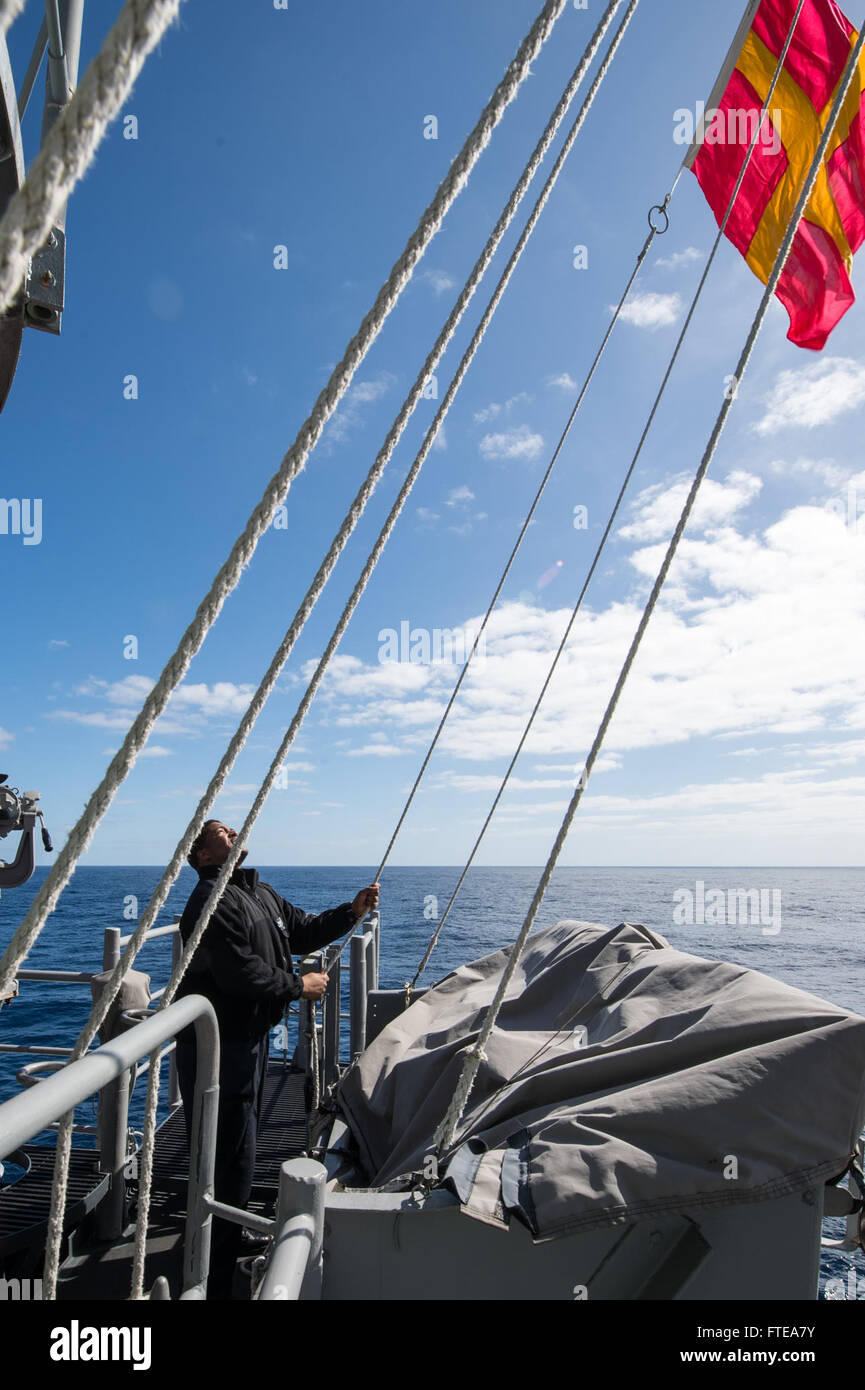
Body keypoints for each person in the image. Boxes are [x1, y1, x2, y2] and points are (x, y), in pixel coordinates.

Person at [174, 818, 379, 1299]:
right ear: (203, 856)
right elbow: (237, 973)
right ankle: (213, 1272)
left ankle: (227, 1230)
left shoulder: (256, 891)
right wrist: (298, 987)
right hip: (219, 1047)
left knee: (241, 1142)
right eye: (221, 833)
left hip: (250, 1038)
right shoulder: (208, 900)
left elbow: (301, 932)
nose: (233, 833)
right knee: (224, 1148)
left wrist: (350, 912)